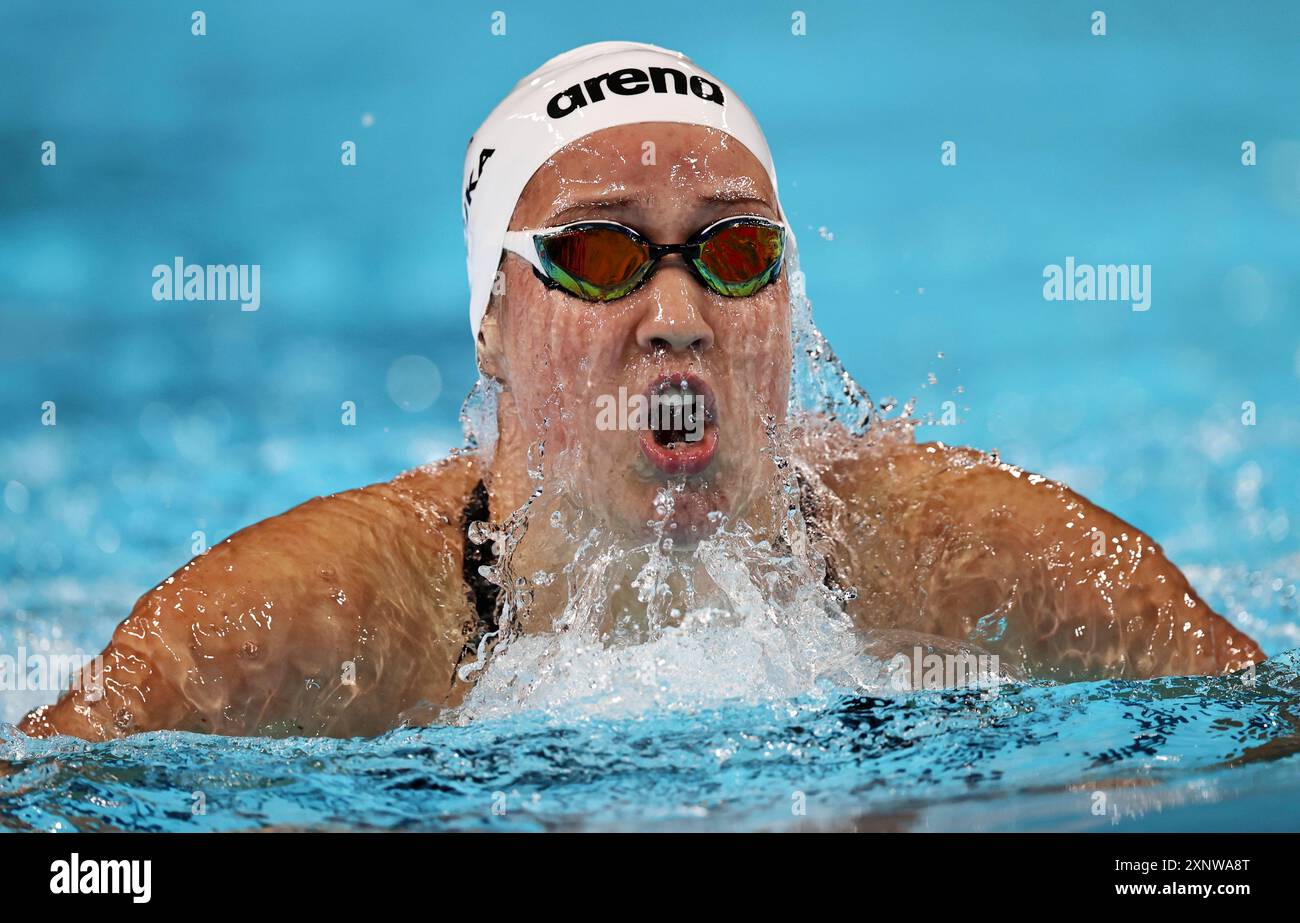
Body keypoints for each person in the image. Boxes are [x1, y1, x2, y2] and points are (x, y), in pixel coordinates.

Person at [19, 42, 1261, 741]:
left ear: (786, 297)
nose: (676, 319)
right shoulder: (316, 625)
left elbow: (1250, 747)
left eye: (732, 253)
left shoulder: (973, 562)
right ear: (494, 324)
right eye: (600, 254)